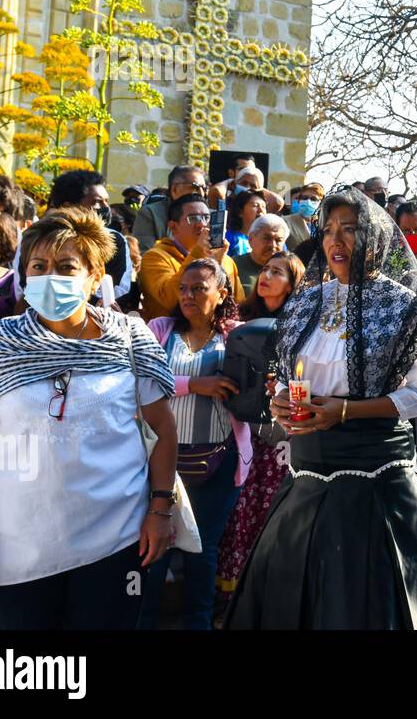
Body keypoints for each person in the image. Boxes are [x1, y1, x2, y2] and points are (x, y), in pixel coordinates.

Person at [225, 187, 417, 629]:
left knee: (368, 604)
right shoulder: (310, 301)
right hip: (307, 480)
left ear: (374, 237)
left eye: (349, 229)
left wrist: (345, 412)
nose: (336, 241)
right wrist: (280, 404)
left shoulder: (402, 304)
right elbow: (294, 379)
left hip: (375, 482)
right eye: (328, 230)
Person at [0, 207, 179, 628]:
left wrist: (160, 510)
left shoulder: (130, 339)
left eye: (66, 266)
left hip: (116, 543)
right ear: (25, 275)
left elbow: (162, 430)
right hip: (17, 552)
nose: (51, 276)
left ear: (94, 274)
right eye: (39, 266)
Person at [139, 258, 249, 630]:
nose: (187, 295)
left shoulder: (237, 335)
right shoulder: (160, 328)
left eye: (199, 288)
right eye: (183, 288)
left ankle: (198, 624)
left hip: (218, 461)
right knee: (155, 548)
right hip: (161, 463)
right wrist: (194, 384)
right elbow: (140, 380)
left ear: (221, 294)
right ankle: (143, 622)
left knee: (204, 549)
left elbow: (253, 390)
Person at [216, 252, 306, 595]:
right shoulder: (238, 321)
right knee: (241, 515)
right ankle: (235, 596)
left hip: (283, 441)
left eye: (278, 272)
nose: (266, 275)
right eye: (265, 269)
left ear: (293, 283)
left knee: (276, 516)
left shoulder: (304, 325)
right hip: (241, 437)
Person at [139, 195, 243, 321]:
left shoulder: (226, 260)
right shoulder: (155, 257)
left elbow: (239, 304)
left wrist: (218, 265)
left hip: (220, 334)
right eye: (193, 218)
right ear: (173, 227)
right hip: (169, 335)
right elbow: (169, 300)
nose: (202, 224)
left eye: (206, 217)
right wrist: (199, 252)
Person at [41, 170, 135, 303]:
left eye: (106, 201)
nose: (106, 207)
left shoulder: (115, 240)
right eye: (97, 202)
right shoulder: (37, 238)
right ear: (68, 207)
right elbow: (24, 286)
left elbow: (117, 289)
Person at [133, 165, 208, 255]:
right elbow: (145, 254)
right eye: (195, 187)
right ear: (174, 189)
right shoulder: (150, 213)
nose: (201, 193)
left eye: (204, 188)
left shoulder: (207, 216)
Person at [237, 250, 305, 321]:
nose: (266, 275)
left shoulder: (297, 320)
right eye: (265, 269)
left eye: (276, 272)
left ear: (291, 285)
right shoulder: (239, 314)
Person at [233, 213, 289, 296]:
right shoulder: (233, 265)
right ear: (251, 239)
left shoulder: (289, 269)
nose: (272, 245)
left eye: (278, 240)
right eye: (267, 238)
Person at [225, 188, 267, 258]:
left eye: (264, 206)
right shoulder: (229, 237)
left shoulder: (271, 239)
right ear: (240, 212)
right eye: (255, 206)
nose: (261, 210)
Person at [285, 183, 323, 253]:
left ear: (320, 203)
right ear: (299, 201)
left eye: (313, 199)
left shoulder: (324, 224)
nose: (308, 201)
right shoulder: (285, 221)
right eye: (304, 198)